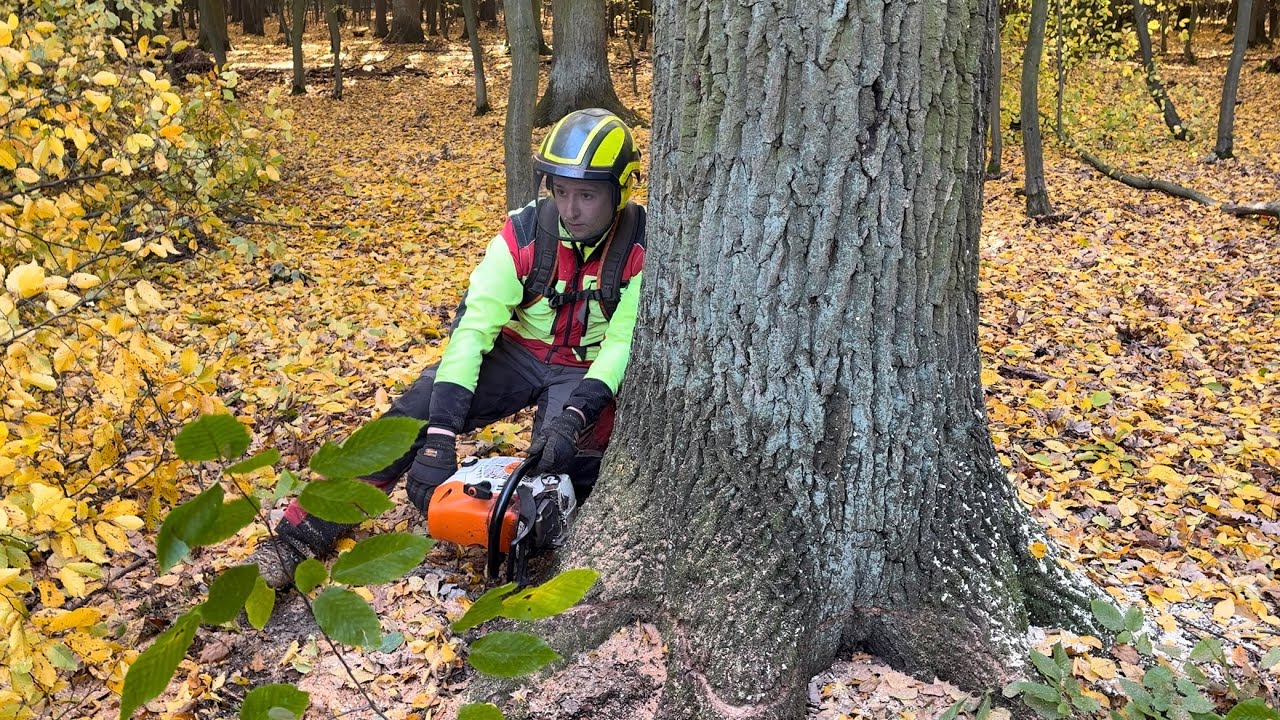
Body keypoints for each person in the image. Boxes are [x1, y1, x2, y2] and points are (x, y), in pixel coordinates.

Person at [252, 108, 646, 588]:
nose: (571, 210)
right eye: (561, 192)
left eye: (586, 195)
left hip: (585, 369)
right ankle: (299, 536)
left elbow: (624, 339)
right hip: (517, 353)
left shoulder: (641, 247)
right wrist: (440, 432)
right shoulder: (523, 234)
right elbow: (473, 329)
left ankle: (535, 559)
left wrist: (576, 415)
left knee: (564, 470)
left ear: (619, 191)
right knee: (410, 414)